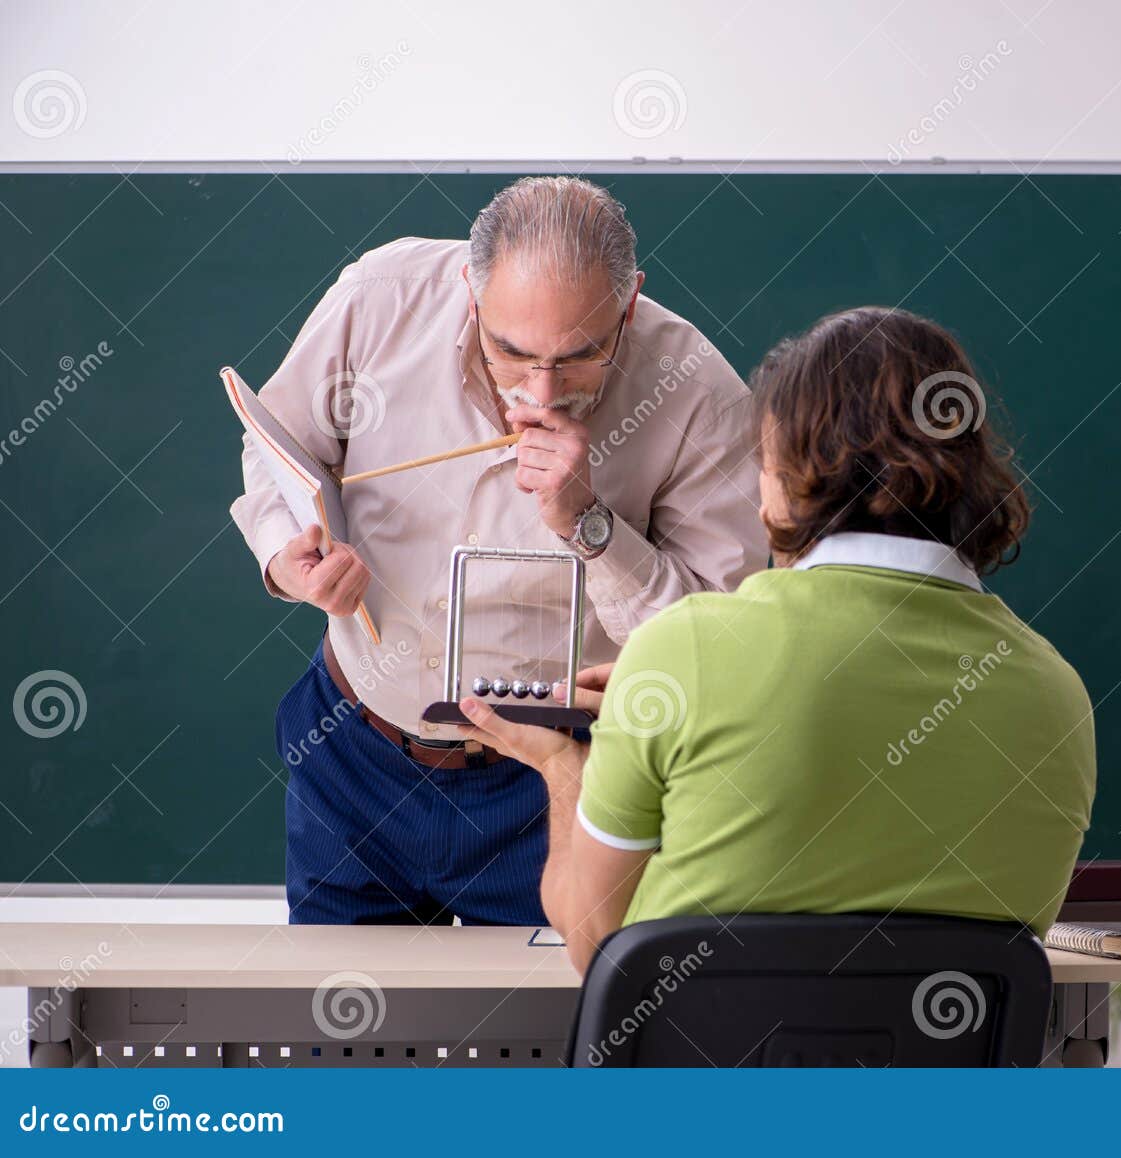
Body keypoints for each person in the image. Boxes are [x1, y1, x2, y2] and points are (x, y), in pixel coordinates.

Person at [461, 306, 1097, 973]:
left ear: (795, 478)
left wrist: (566, 769)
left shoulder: (684, 652)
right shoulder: (1057, 697)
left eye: (763, 465)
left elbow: (595, 943)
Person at [229, 176, 767, 926]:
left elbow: (716, 646)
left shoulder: (699, 395)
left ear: (631, 303)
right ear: (470, 295)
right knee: (341, 1034)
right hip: (353, 750)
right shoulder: (380, 299)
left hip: (558, 777)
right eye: (511, 352)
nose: (541, 393)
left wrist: (589, 523)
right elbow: (275, 449)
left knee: (549, 1036)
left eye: (579, 357)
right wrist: (287, 551)